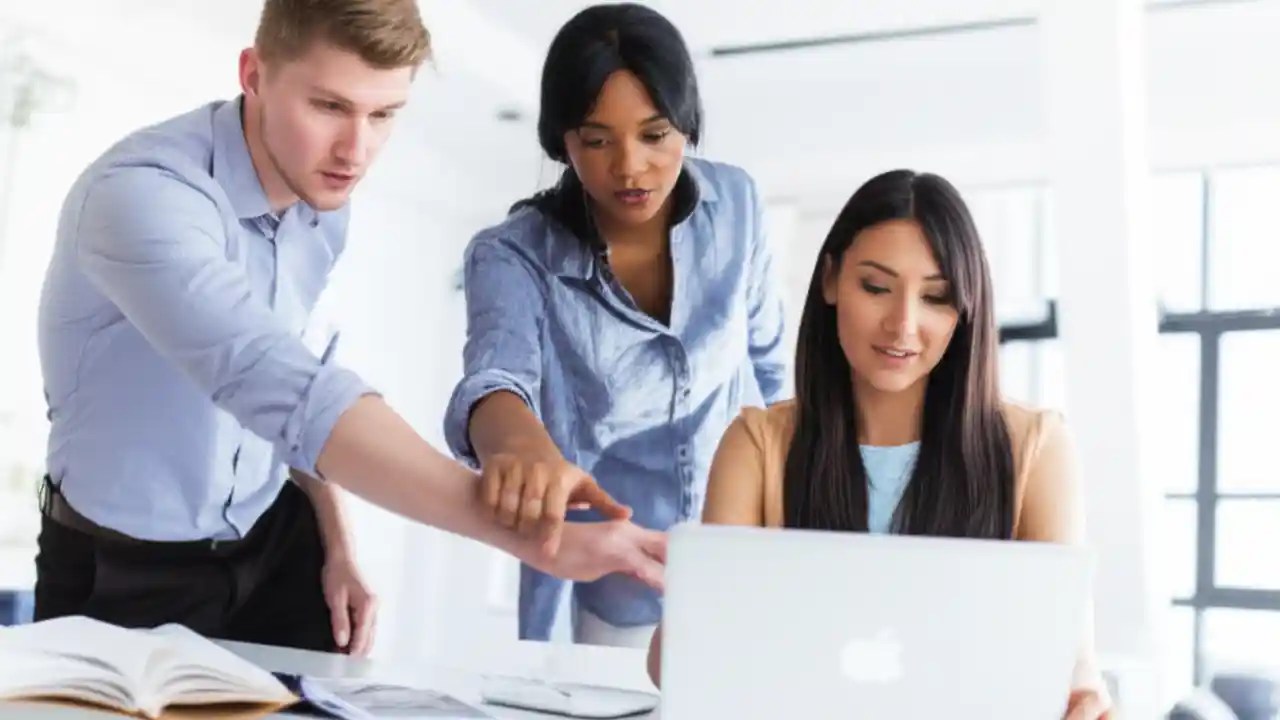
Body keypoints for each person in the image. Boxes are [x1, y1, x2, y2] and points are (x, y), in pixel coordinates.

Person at [34, 0, 665, 657]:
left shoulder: (320, 206)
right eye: (329, 107)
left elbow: (299, 374)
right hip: (121, 569)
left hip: (274, 536)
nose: (355, 150)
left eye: (383, 114)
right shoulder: (142, 197)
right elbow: (273, 382)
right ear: (254, 74)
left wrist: (335, 540)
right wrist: (534, 536)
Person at [643, 170, 1113, 719]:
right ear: (830, 282)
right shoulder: (757, 446)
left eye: (936, 297)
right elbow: (688, 661)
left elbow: (1072, 660)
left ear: (965, 312)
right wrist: (691, 618)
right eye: (875, 287)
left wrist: (1089, 699)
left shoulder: (1037, 448)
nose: (902, 325)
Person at [443, 3, 790, 646]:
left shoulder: (736, 205)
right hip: (621, 574)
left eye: (655, 135)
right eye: (597, 140)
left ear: (686, 127)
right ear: (562, 142)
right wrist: (517, 446)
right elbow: (497, 379)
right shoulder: (514, 255)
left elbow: (772, 367)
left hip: (746, 553)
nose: (629, 168)